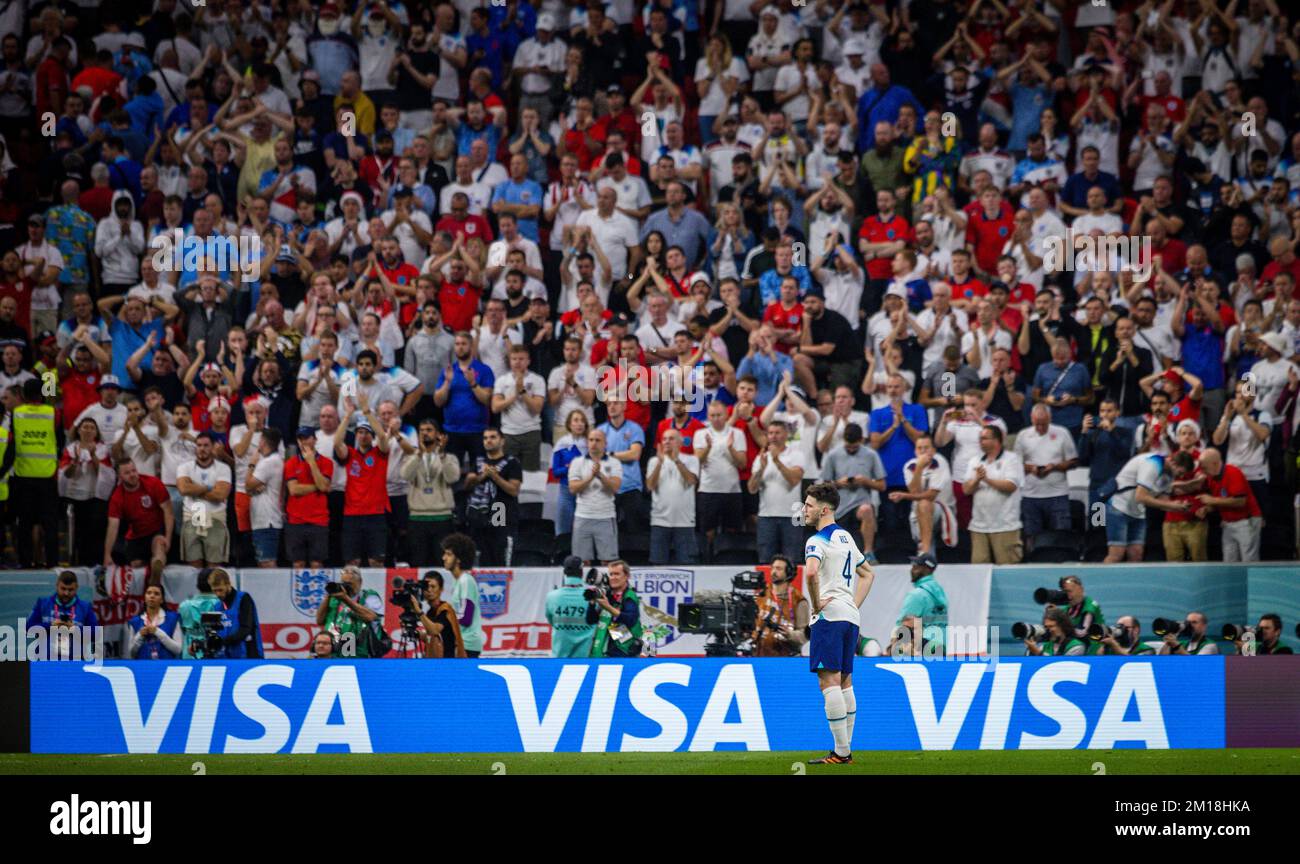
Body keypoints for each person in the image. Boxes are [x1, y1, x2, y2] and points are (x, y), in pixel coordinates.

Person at [801, 482, 876, 765]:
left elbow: (810, 573)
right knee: (845, 682)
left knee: (828, 681)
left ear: (822, 509)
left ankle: (841, 752)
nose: (804, 510)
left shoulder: (816, 540)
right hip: (850, 617)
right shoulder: (846, 537)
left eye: (808, 505)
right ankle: (844, 751)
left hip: (830, 616)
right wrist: (852, 605)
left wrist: (817, 603)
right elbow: (868, 574)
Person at [1104, 450, 1195, 563]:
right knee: (1116, 554)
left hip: (1138, 512)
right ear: (1174, 463)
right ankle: (1101, 581)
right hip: (1118, 507)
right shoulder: (1152, 464)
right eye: (1180, 472)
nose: (1180, 476)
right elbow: (1140, 496)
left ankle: (1129, 581)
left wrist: (1178, 507)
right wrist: (1171, 505)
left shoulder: (1169, 475)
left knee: (1136, 554)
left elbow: (1163, 502)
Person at [332, 399, 392, 568]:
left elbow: (382, 436)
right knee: (352, 562)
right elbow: (337, 443)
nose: (363, 435)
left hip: (376, 514)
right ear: (356, 435)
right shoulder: (350, 454)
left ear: (371, 436)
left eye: (366, 432)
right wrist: (347, 416)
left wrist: (367, 412)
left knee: (376, 561)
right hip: (352, 514)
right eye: (359, 432)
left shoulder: (380, 453)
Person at [819, 423, 887, 563]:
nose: (851, 449)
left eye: (854, 447)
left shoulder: (871, 455)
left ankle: (868, 552)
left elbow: (882, 485)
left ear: (861, 440)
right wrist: (838, 483)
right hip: (839, 506)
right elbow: (823, 487)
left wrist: (865, 481)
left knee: (867, 509)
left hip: (860, 503)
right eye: (848, 447)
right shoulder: (833, 455)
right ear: (843, 440)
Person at [1013, 404, 1079, 543]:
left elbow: (1073, 462)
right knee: (1031, 536)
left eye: (1044, 424)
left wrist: (1054, 466)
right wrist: (1031, 468)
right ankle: (1031, 560)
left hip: (1058, 494)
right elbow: (1015, 465)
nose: (1041, 428)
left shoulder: (1062, 433)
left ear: (1050, 418)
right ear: (1031, 419)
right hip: (1030, 495)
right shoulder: (1023, 435)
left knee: (1061, 536)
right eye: (1037, 424)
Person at [12, 378, 59, 568]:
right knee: (50, 525)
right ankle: (52, 562)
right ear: (42, 394)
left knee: (24, 524)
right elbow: (53, 397)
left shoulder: (16, 413)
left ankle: (25, 562)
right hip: (47, 476)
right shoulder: (52, 412)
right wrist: (49, 377)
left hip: (23, 476)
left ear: (22, 395)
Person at [402, 418, 461, 567]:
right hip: (417, 518)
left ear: (438, 435)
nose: (424, 434)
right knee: (417, 562)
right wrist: (419, 454)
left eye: (429, 430)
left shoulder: (449, 457)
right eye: (421, 431)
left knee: (442, 563)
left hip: (442, 517)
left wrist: (441, 455)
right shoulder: (411, 457)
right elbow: (405, 476)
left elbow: (453, 477)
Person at [963, 426, 1025, 564]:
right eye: (980, 438)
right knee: (978, 570)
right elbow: (966, 489)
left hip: (1005, 525)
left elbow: (1011, 486)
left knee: (1007, 570)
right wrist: (977, 479)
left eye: (984, 438)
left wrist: (986, 479)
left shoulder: (1012, 459)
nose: (980, 441)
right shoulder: (975, 461)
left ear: (997, 440)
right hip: (979, 525)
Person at [104, 458, 172, 582]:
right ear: (120, 476)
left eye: (134, 471)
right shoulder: (117, 497)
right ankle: (145, 580)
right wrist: (107, 554)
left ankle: (155, 576)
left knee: (159, 546)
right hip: (136, 536)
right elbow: (113, 526)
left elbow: (168, 511)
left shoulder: (153, 483)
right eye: (127, 473)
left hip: (156, 530)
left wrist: (168, 538)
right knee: (136, 565)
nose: (132, 475)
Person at [462, 427, 522, 566]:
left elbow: (514, 490)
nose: (488, 440)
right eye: (485, 438)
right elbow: (467, 485)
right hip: (480, 516)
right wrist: (483, 475)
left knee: (501, 558)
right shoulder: (478, 461)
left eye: (493, 437)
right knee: (482, 560)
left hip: (501, 514)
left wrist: (495, 477)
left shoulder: (512, 462)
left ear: (502, 441)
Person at [748, 419, 806, 563]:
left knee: (792, 560)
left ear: (786, 435)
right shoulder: (761, 458)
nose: (773, 436)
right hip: (766, 516)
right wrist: (761, 468)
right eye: (770, 433)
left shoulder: (796, 455)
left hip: (793, 516)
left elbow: (794, 480)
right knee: (766, 560)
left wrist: (777, 461)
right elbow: (752, 488)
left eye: (777, 433)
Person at [175, 431, 233, 567]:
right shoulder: (184, 467)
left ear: (213, 447)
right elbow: (183, 489)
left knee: (214, 569)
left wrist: (194, 488)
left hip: (215, 519)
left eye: (206, 445)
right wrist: (209, 487)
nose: (202, 449)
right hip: (192, 518)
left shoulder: (223, 468)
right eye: (199, 445)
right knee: (194, 569)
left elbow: (221, 495)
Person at [1195, 449, 1263, 562]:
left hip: (1246, 521)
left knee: (1249, 560)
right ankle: (1233, 580)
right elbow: (1219, 502)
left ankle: (1250, 580)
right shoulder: (1211, 478)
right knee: (1229, 561)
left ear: (1215, 464)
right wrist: (1206, 509)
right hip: (1228, 524)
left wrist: (1212, 500)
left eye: (1204, 468)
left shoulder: (1233, 472)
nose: (1202, 471)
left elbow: (1240, 501)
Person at [645, 428, 700, 564]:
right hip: (660, 521)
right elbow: (650, 486)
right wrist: (660, 463)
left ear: (680, 442)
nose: (667, 442)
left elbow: (691, 481)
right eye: (664, 439)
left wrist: (676, 460)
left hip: (684, 522)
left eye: (671, 438)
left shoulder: (691, 460)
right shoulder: (653, 461)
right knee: (658, 564)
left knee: (687, 564)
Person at [568, 428, 623, 564]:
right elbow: (573, 488)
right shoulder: (577, 462)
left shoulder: (614, 463)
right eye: (591, 440)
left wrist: (601, 475)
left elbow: (615, 487)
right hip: (582, 516)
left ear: (605, 443)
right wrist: (591, 477)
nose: (593, 443)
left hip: (605, 517)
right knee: (582, 562)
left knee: (608, 562)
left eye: (598, 440)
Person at [283, 427, 334, 570]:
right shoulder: (291, 463)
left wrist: (311, 462)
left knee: (316, 564)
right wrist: (318, 486)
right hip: (296, 520)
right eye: (300, 439)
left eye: (306, 438)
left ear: (315, 439)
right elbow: (294, 490)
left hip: (318, 520)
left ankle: (317, 593)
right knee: (297, 564)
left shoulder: (326, 462)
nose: (303, 442)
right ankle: (299, 593)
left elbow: (324, 486)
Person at [887, 553, 949, 657]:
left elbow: (903, 627)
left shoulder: (917, 595)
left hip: (922, 651)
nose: (911, 570)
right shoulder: (941, 593)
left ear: (927, 569)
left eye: (916, 566)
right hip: (940, 649)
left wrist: (891, 649)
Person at [315, 565, 382, 657]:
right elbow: (319, 620)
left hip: (359, 652)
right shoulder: (334, 598)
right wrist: (328, 595)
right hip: (334, 652)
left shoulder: (369, 596)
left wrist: (346, 599)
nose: (346, 586)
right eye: (344, 583)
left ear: (360, 582)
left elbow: (371, 617)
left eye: (349, 584)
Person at [752, 554, 810, 657]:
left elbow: (805, 635)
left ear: (789, 573)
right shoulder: (761, 595)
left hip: (785, 658)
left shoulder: (799, 601)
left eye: (778, 569)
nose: (774, 572)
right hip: (758, 656)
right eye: (773, 568)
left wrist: (790, 634)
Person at [585, 559, 643, 658]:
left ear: (626, 576)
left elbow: (630, 620)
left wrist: (608, 607)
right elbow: (591, 620)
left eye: (617, 574)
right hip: (603, 649)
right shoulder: (607, 594)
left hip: (623, 650)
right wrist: (592, 604)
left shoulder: (629, 596)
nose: (613, 577)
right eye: (611, 574)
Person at [546, 555, 599, 658]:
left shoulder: (551, 596)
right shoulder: (592, 596)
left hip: (559, 658)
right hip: (584, 659)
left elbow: (551, 620)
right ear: (582, 572)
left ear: (564, 572)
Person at [442, 532, 484, 657]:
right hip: (460, 642)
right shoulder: (458, 581)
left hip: (467, 645)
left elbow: (466, 618)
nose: (444, 558)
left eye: (449, 554)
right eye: (444, 553)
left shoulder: (466, 580)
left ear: (459, 559)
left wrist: (442, 622)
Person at [207, 567, 264, 659]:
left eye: (220, 590)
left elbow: (245, 629)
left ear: (228, 584)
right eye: (214, 590)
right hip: (226, 656)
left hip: (247, 653)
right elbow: (214, 632)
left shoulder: (243, 599)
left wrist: (222, 641)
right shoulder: (217, 606)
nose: (218, 594)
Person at [416, 571, 467, 658]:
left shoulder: (445, 610)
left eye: (433, 586)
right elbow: (431, 636)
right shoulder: (430, 612)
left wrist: (418, 610)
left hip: (448, 663)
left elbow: (435, 630)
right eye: (426, 586)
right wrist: (416, 633)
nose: (429, 590)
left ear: (441, 589)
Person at [127, 583, 181, 659]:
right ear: (145, 598)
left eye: (156, 594)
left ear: (162, 600)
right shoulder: (135, 622)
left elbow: (178, 649)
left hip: (166, 667)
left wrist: (158, 632)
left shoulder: (173, 619)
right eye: (149, 593)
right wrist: (139, 635)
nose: (152, 596)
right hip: (143, 667)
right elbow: (131, 654)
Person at [177, 568, 224, 658]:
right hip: (215, 656)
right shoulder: (221, 605)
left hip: (189, 656)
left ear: (198, 584)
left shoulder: (184, 606)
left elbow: (182, 630)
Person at [1155, 612, 1219, 655]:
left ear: (1204, 626)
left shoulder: (1210, 645)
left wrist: (1177, 647)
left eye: (1194, 622)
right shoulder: (1183, 643)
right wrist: (1168, 643)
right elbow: (1162, 660)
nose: (1189, 626)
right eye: (1188, 622)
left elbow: (1198, 666)